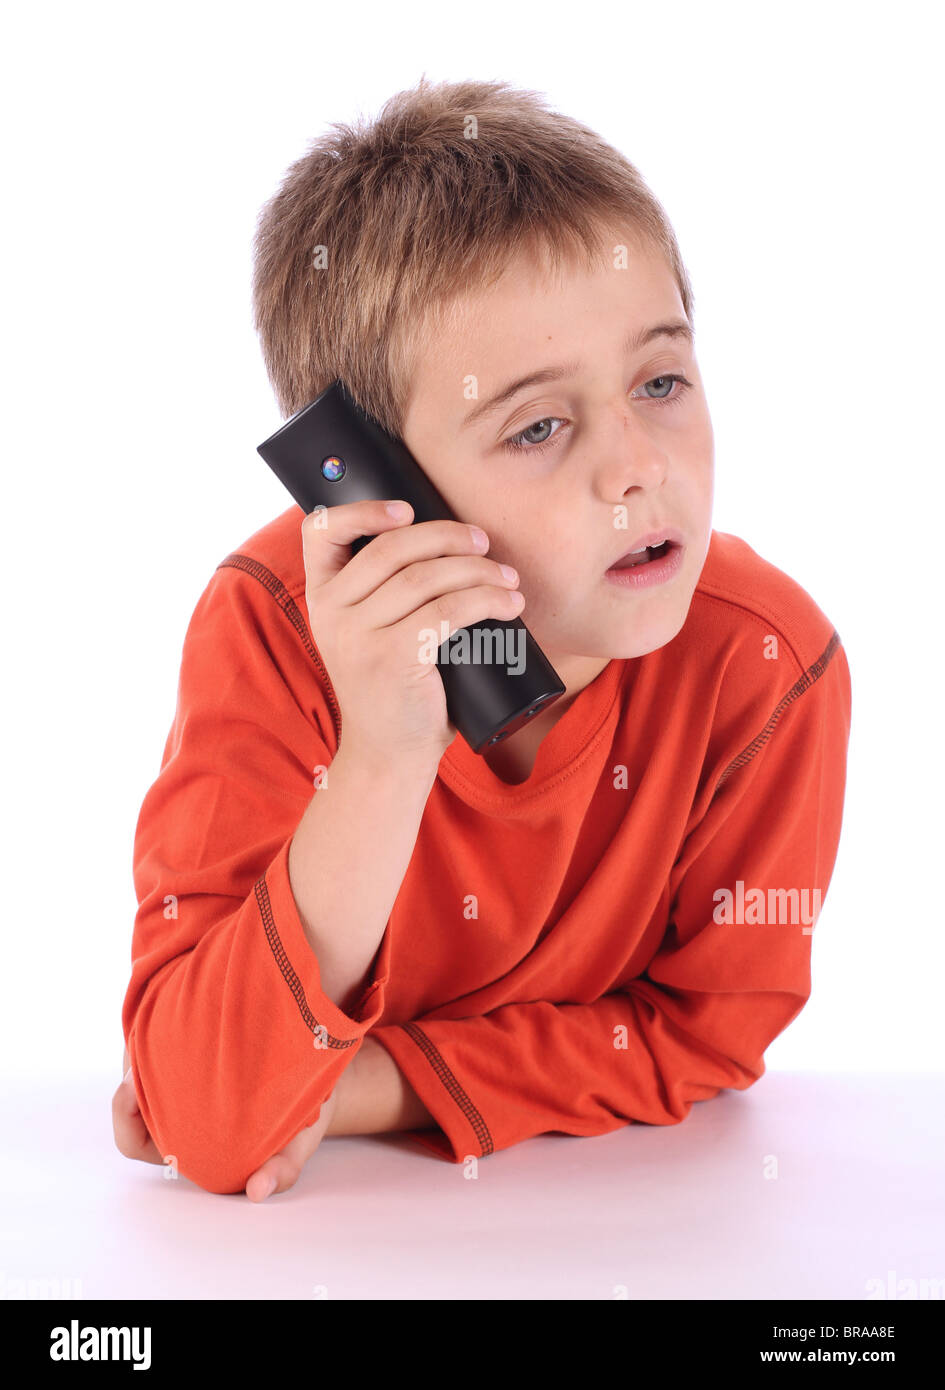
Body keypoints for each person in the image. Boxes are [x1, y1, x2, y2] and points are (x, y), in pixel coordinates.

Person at [113, 75, 852, 1200]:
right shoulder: (270, 629)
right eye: (539, 426)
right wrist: (385, 754)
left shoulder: (765, 665)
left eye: (660, 379)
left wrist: (357, 1081)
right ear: (378, 492)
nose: (637, 468)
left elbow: (711, 1034)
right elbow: (204, 1121)